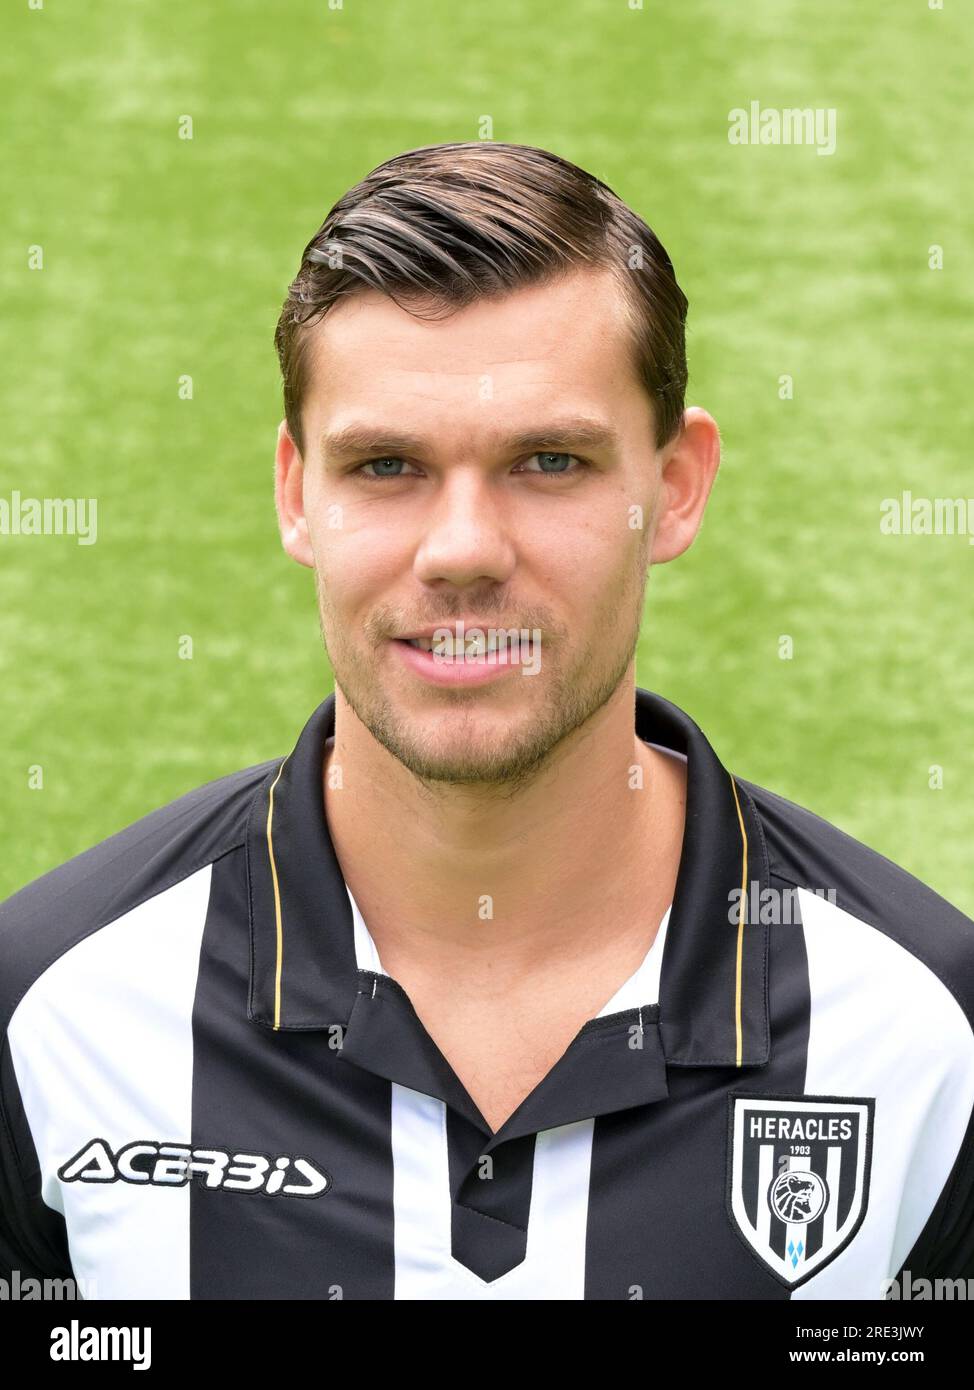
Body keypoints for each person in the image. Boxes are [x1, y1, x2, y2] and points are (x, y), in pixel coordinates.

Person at [2, 142, 973, 1301]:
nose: (462, 548)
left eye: (548, 461)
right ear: (294, 492)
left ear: (672, 488)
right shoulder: (53, 1008)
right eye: (386, 465)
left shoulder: (924, 1029)